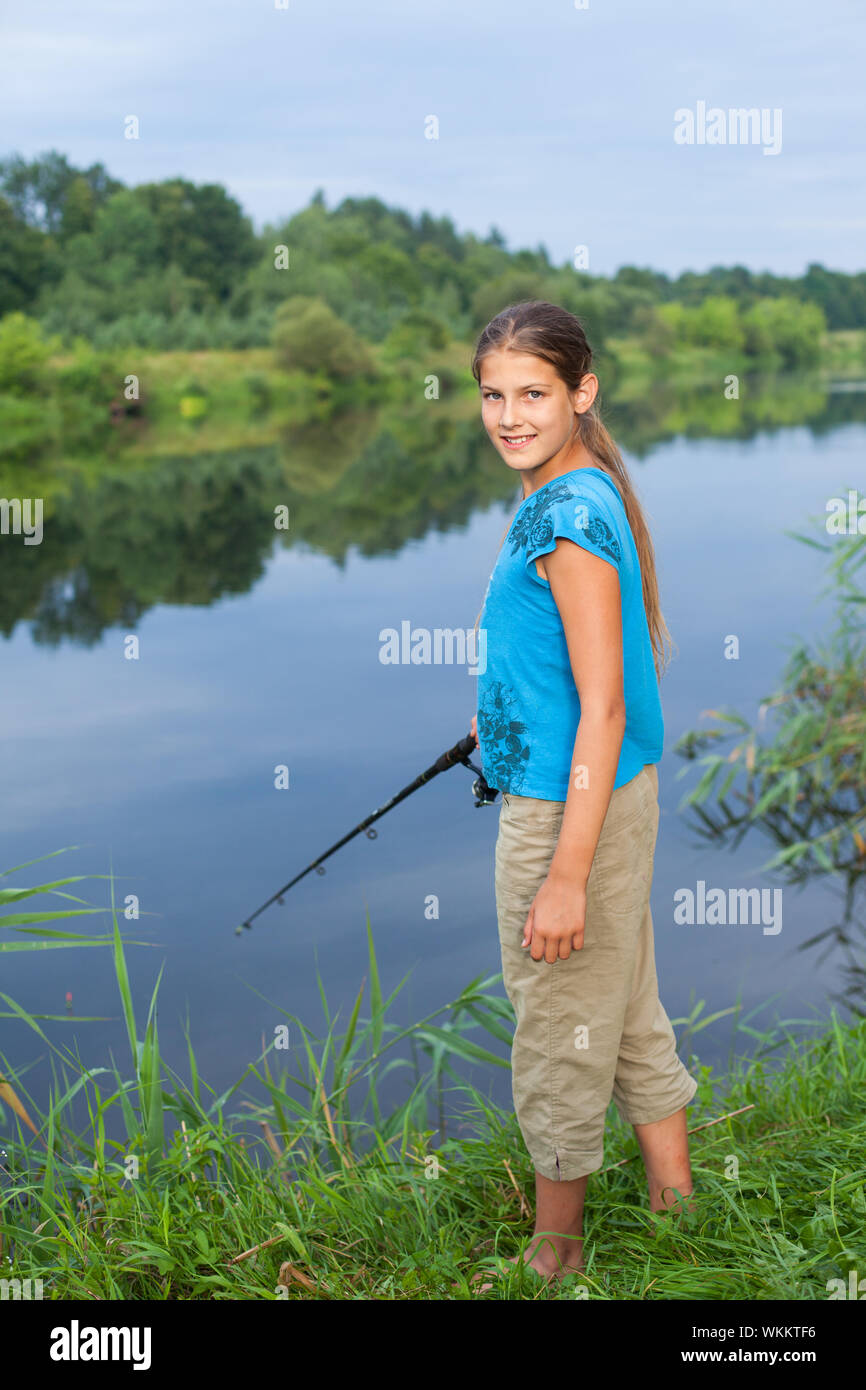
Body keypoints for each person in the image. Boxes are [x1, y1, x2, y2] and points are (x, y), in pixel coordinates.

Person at [469, 299, 698, 1284]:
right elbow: (574, 680)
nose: (508, 414)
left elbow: (601, 709)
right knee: (622, 1001)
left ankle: (553, 1253)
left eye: (532, 392)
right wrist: (501, 712)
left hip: (573, 814)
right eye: (492, 394)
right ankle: (676, 1208)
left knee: (559, 1023)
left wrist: (563, 875)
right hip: (603, 795)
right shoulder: (580, 486)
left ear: (580, 392)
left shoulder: (563, 515)